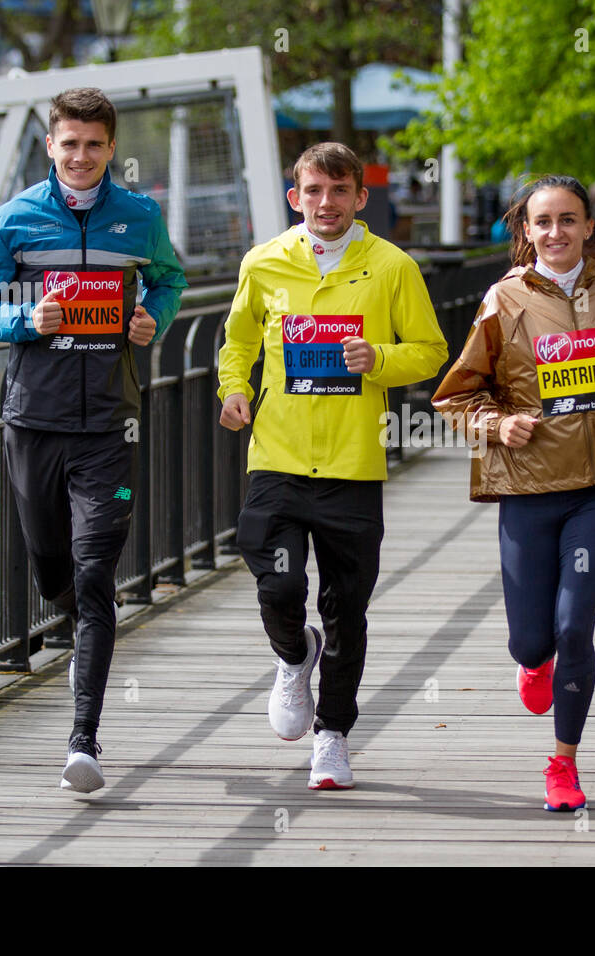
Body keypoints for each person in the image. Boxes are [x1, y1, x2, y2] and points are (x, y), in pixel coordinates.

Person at [0, 87, 187, 793]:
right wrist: (30, 317)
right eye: (69, 145)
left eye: (94, 145)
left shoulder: (140, 217)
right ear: (50, 148)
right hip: (34, 421)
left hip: (110, 425)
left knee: (94, 577)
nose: (81, 157)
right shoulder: (16, 217)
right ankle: (59, 588)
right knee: (53, 568)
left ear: (111, 149)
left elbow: (171, 280)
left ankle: (82, 741)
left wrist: (152, 317)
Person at [432, 175, 595, 812]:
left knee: (575, 627)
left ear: (590, 227)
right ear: (526, 231)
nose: (555, 232)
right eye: (543, 222)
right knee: (531, 641)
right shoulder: (503, 300)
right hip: (528, 487)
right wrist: (496, 423)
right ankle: (531, 661)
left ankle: (563, 763)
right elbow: (457, 393)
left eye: (568, 220)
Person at [217, 142, 448, 791]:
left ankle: (333, 737)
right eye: (313, 190)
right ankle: (295, 655)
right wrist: (232, 391)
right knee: (278, 586)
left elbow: (430, 350)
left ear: (359, 197)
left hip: (354, 462)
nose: (326, 203)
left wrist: (378, 357)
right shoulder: (263, 264)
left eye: (338, 191)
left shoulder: (392, 266)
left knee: (347, 607)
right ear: (296, 197)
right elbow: (236, 342)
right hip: (279, 457)